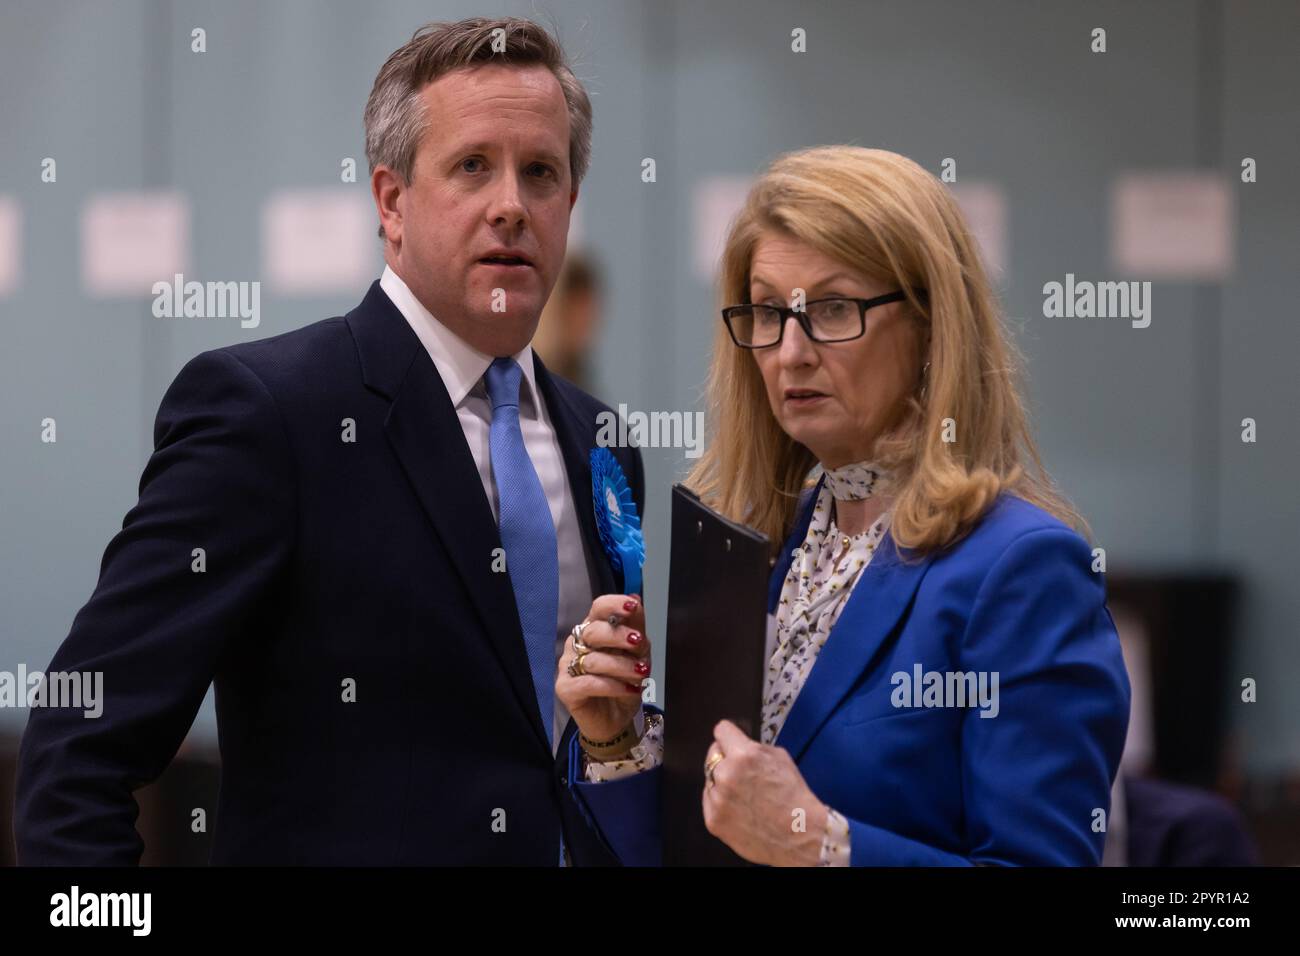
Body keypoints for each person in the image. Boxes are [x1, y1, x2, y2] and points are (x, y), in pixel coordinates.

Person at [15, 17, 649, 866]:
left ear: (570, 203)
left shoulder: (600, 440)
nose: (511, 204)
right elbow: (74, 761)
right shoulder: (270, 415)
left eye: (541, 172)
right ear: (392, 202)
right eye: (472, 167)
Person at [556, 145, 1131, 866]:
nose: (789, 352)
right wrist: (617, 738)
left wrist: (823, 843)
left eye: (832, 309)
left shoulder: (1021, 570)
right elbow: (706, 846)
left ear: (929, 325)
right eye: (768, 312)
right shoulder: (768, 538)